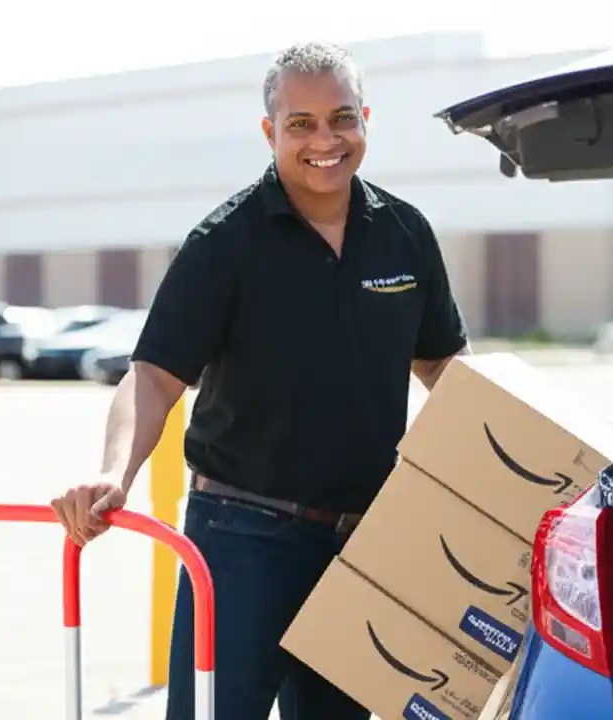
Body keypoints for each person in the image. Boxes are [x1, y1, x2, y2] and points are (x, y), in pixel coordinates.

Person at [49, 41, 470, 720]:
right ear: (271, 131)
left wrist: (511, 460)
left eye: (341, 119)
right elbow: (154, 376)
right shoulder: (225, 243)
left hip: (366, 541)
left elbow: (444, 367)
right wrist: (113, 474)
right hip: (243, 538)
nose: (325, 140)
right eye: (301, 124)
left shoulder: (404, 234)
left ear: (365, 118)